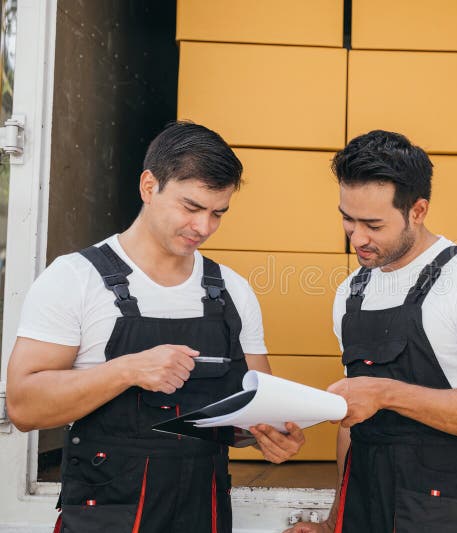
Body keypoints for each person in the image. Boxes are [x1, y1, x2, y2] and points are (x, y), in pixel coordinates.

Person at [6, 121, 305, 533]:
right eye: (191, 207)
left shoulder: (233, 291)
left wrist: (267, 434)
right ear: (149, 186)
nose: (204, 228)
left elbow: (253, 411)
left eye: (218, 213)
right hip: (106, 515)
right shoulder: (74, 279)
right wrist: (125, 370)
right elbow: (23, 406)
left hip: (204, 514)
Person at [286, 130, 457, 533]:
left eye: (373, 224)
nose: (357, 238)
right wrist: (334, 521)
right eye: (347, 218)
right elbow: (353, 422)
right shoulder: (352, 292)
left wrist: (383, 393)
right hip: (364, 510)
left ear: (417, 211)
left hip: (451, 513)